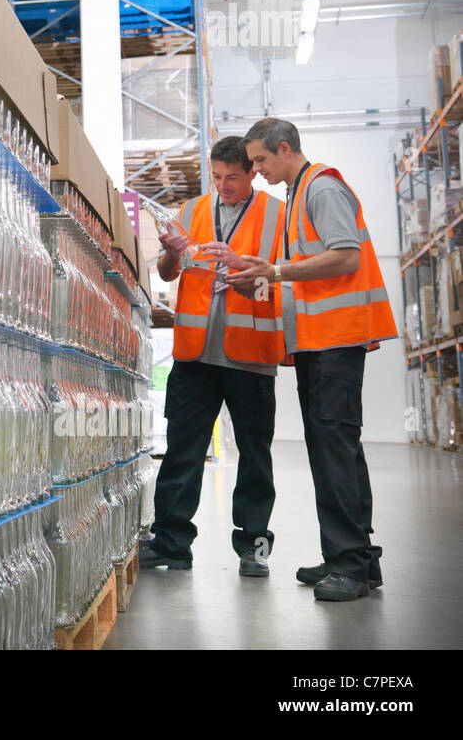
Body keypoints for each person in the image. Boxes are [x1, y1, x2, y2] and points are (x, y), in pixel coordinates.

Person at [232, 118, 396, 602]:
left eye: (261, 160)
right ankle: (355, 558)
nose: (256, 170)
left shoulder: (321, 188)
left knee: (334, 453)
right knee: (334, 453)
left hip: (335, 343)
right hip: (316, 343)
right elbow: (304, 276)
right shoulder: (298, 194)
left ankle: (350, 564)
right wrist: (262, 280)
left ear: (285, 149)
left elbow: (345, 257)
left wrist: (277, 270)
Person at [141, 136, 286, 577]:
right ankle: (171, 543)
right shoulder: (190, 212)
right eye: (217, 177)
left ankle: (254, 547)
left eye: (234, 178)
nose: (223, 186)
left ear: (252, 174)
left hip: (251, 355)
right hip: (195, 353)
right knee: (183, 449)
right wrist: (170, 252)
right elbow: (169, 273)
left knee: (254, 455)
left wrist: (249, 277)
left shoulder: (277, 218)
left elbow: (286, 283)